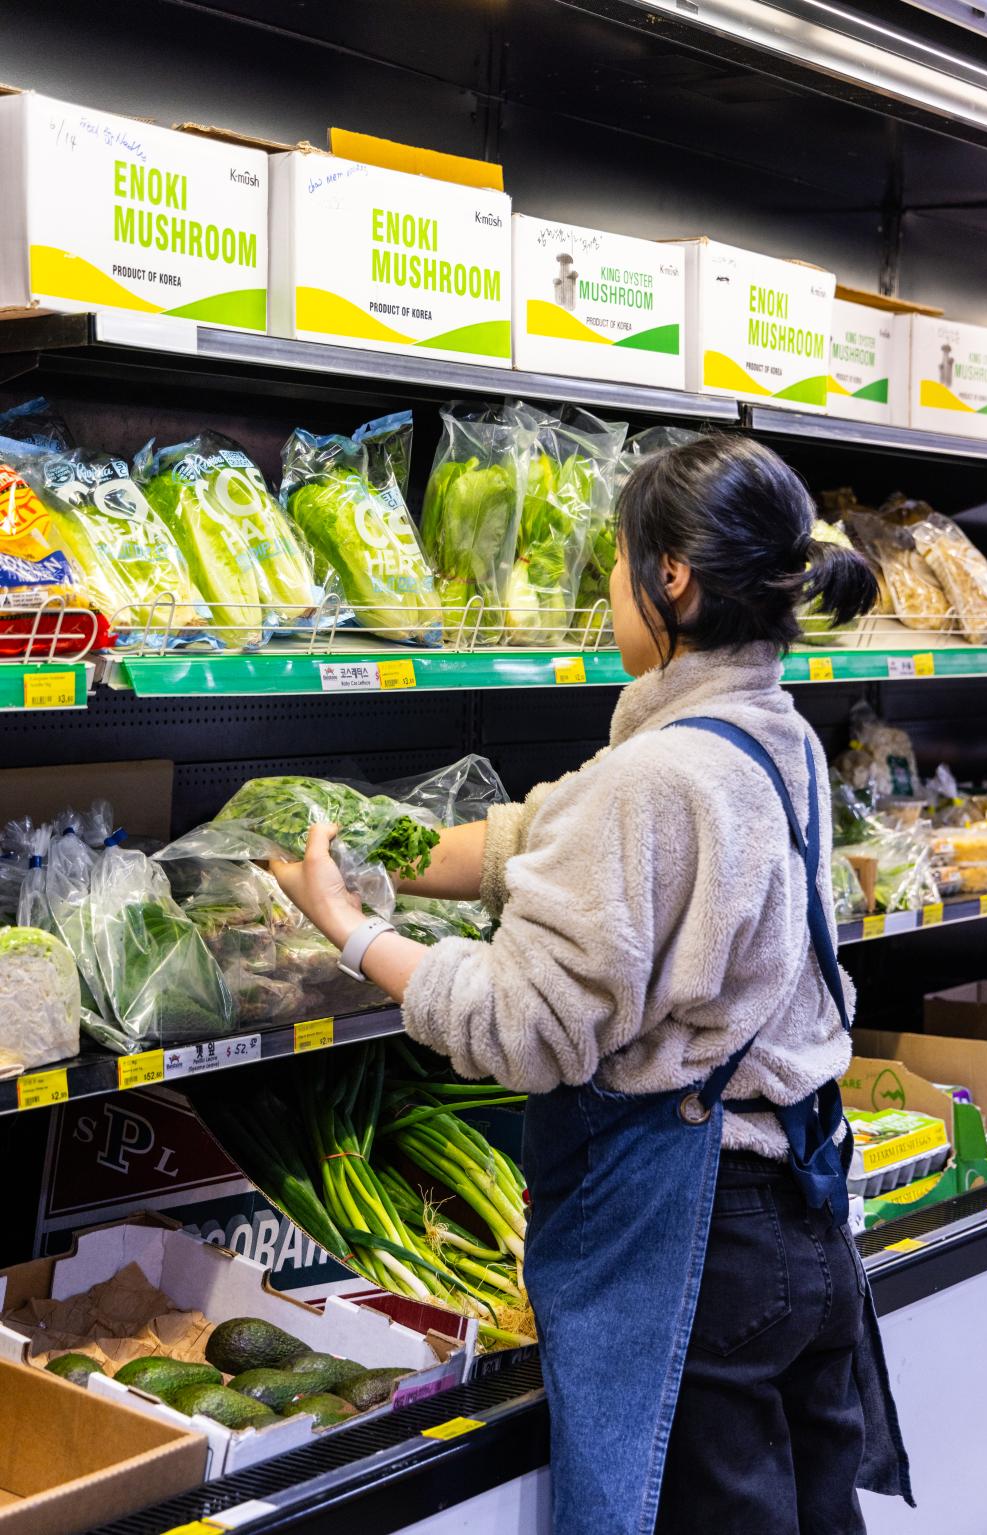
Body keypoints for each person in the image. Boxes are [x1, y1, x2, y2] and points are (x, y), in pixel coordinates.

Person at [272, 434, 912, 1535]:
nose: (608, 586)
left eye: (616, 563)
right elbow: (550, 835)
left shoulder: (653, 780)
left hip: (698, 1236)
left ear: (672, 577)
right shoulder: (775, 739)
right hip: (802, 1212)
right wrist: (390, 852)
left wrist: (351, 927)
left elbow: (521, 1025)